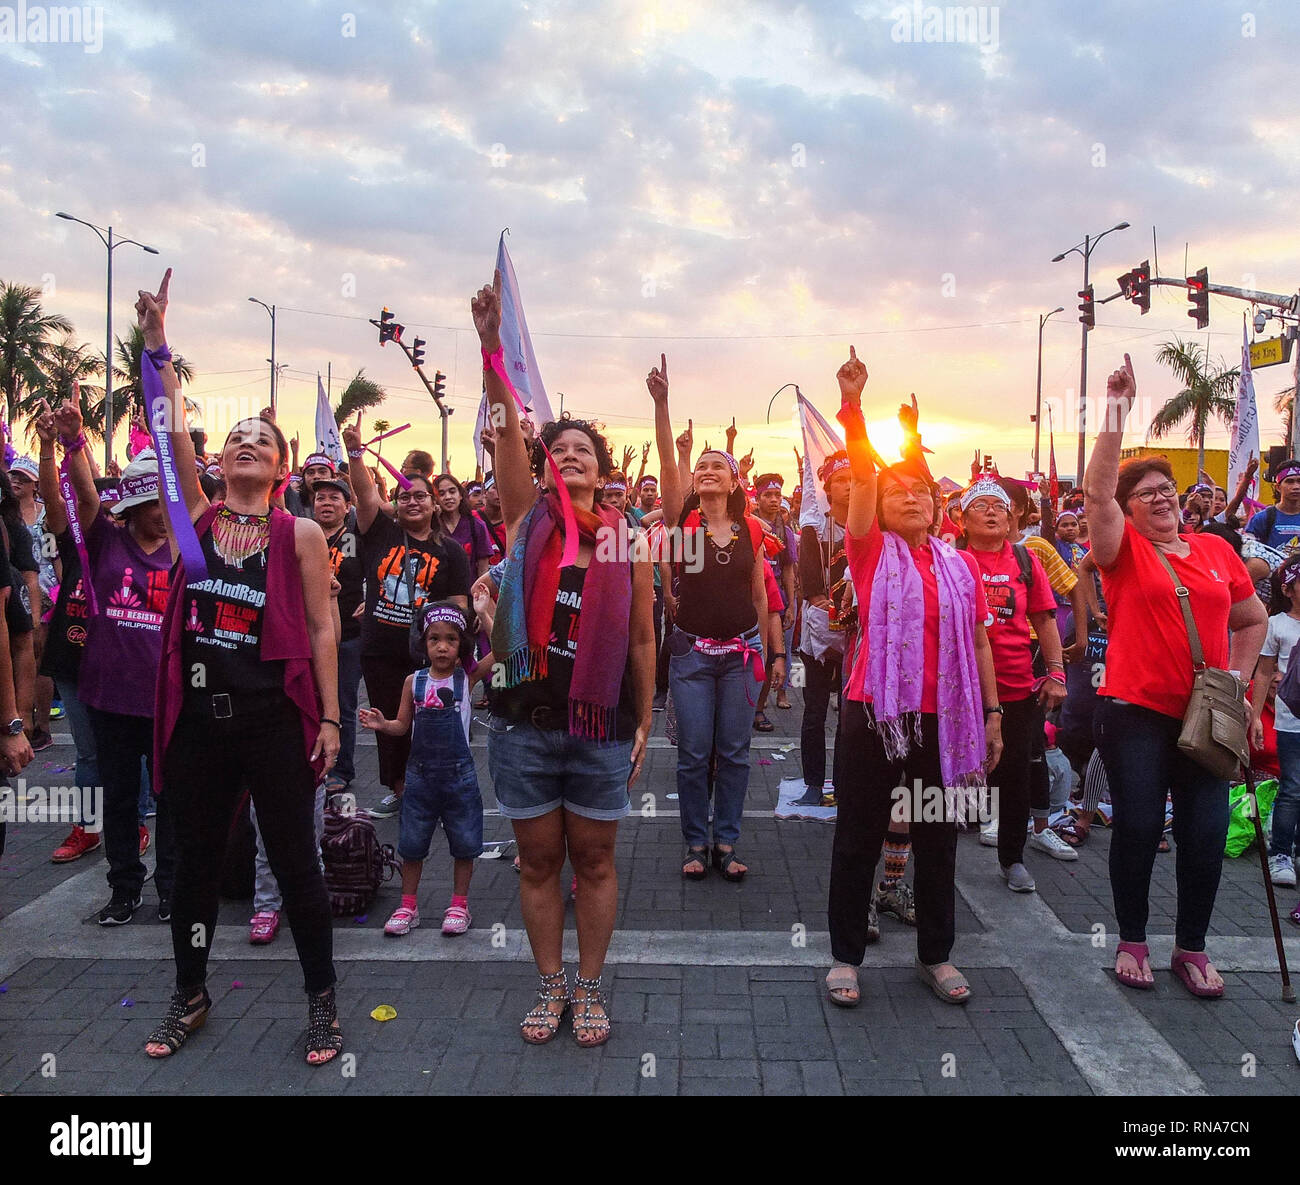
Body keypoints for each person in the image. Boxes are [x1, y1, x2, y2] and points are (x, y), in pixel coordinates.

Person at [127, 270, 343, 1065]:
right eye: (236, 437)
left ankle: (322, 1003)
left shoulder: (299, 537)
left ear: (282, 467)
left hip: (272, 721)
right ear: (218, 461)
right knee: (190, 869)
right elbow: (168, 428)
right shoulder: (194, 522)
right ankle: (189, 993)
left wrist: (327, 717)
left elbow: (322, 630)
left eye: (263, 439)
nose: (246, 442)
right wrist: (157, 346)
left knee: (295, 864)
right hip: (199, 721)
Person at [474, 271, 654, 1046]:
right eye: (560, 449)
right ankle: (549, 986)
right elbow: (511, 435)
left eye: (584, 448)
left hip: (602, 726)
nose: (569, 455)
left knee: (598, 858)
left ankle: (590, 986)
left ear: (601, 466)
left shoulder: (629, 539)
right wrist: (491, 349)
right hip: (524, 720)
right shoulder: (525, 523)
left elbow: (644, 638)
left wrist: (645, 718)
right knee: (538, 861)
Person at [824, 348, 1001, 1008]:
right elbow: (866, 481)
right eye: (897, 491)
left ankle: (936, 954)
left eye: (920, 492)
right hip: (875, 711)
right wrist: (854, 410)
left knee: (937, 837)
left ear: (938, 506)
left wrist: (991, 713)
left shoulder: (959, 568)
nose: (908, 497)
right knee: (859, 835)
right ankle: (845, 956)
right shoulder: (869, 552)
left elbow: (980, 639)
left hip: (946, 720)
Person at [1085, 353, 1266, 997]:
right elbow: (1096, 492)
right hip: (1135, 709)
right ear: (1130, 510)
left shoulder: (1218, 551)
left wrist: (1237, 686)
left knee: (1206, 832)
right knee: (1136, 823)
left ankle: (1191, 947)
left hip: (1206, 715)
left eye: (1168, 489)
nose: (1162, 498)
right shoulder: (1123, 553)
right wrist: (1115, 409)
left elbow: (1252, 619)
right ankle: (1132, 940)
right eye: (1148, 493)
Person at [652, 362, 778, 884]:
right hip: (693, 657)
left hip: (743, 655)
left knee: (735, 752)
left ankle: (726, 840)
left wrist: (772, 656)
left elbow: (761, 596)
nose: (705, 471)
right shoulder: (683, 523)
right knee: (693, 752)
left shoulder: (753, 528)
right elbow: (666, 463)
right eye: (700, 466)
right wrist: (661, 405)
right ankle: (694, 843)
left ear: (732, 481)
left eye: (715, 466)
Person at [56, 402, 176, 925]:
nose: (160, 511)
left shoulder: (184, 550)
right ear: (132, 505)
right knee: (120, 799)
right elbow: (83, 497)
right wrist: (76, 442)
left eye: (164, 500)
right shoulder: (105, 539)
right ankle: (124, 888)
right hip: (108, 697)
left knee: (171, 798)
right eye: (151, 502)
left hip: (168, 697)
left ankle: (172, 887)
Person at [346, 424, 470, 818]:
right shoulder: (379, 532)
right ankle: (399, 789)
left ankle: (431, 785)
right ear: (395, 505)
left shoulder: (451, 551)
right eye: (404, 497)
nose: (412, 502)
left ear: (435, 505)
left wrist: (450, 640)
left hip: (426, 657)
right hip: (381, 651)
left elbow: (459, 606)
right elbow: (365, 495)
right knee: (387, 722)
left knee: (426, 722)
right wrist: (354, 454)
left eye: (421, 496)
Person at [960, 478, 1074, 888]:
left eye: (999, 506)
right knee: (949, 771)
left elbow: (1044, 620)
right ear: (962, 517)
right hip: (958, 689)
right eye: (981, 505)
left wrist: (1057, 673)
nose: (991, 512)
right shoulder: (952, 559)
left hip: (1015, 685)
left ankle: (1012, 859)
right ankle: (936, 852)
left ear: (1011, 517)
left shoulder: (1026, 562)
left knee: (1014, 775)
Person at [361, 602, 491, 936]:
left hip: (458, 776)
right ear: (423, 643)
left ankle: (459, 904)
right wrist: (382, 724)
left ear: (462, 644)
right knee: (412, 842)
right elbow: (402, 726)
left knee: (464, 842)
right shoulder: (413, 682)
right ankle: (408, 904)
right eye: (434, 639)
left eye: (451, 639)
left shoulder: (467, 678)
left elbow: (504, 648)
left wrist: (485, 611)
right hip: (419, 777)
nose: (443, 646)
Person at [795, 452, 850, 808]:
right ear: (828, 489)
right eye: (840, 481)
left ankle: (847, 784)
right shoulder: (814, 530)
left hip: (857, 633)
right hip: (818, 630)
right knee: (814, 710)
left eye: (853, 480)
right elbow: (811, 588)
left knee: (852, 713)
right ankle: (813, 783)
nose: (847, 487)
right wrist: (827, 615)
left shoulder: (870, 529)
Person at [1248, 555, 1300, 887]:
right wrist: (1254, 715)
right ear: (1289, 588)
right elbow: (1264, 672)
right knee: (1293, 788)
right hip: (1289, 721)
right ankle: (1281, 852)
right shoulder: (1276, 625)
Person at [9, 455, 56, 749]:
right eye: (13, 476)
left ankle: (42, 725)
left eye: (23, 478)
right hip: (13, 593)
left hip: (44, 592)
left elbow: (54, 555)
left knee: (39, 658)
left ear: (35, 484)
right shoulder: (6, 515)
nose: (16, 482)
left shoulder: (45, 516)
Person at [751, 473, 797, 725]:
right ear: (757, 500)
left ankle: (759, 708)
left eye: (777, 495)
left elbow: (788, 569)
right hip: (752, 598)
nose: (773, 500)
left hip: (776, 598)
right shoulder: (747, 526)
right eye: (767, 495)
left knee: (773, 655)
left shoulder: (786, 532)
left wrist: (790, 604)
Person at [436, 472, 494, 580]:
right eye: (441, 493)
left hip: (468, 593)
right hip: (437, 595)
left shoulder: (477, 526)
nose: (448, 497)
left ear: (461, 495)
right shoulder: (431, 527)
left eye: (452, 491)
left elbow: (483, 570)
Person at [1245, 459, 1300, 553]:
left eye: (1299, 481)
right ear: (1278, 487)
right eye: (1289, 481)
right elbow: (1248, 553)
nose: (1296, 486)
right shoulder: (1261, 518)